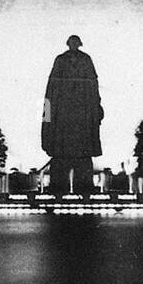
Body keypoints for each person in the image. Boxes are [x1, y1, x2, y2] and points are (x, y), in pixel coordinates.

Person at [40, 34, 103, 195]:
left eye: (76, 42)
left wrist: (96, 107)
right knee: (61, 151)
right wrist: (48, 114)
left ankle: (84, 187)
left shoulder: (86, 59)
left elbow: (93, 84)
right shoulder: (60, 60)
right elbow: (51, 87)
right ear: (68, 44)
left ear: (79, 44)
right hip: (63, 109)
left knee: (82, 152)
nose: (73, 45)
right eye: (71, 42)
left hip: (82, 108)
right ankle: (59, 187)